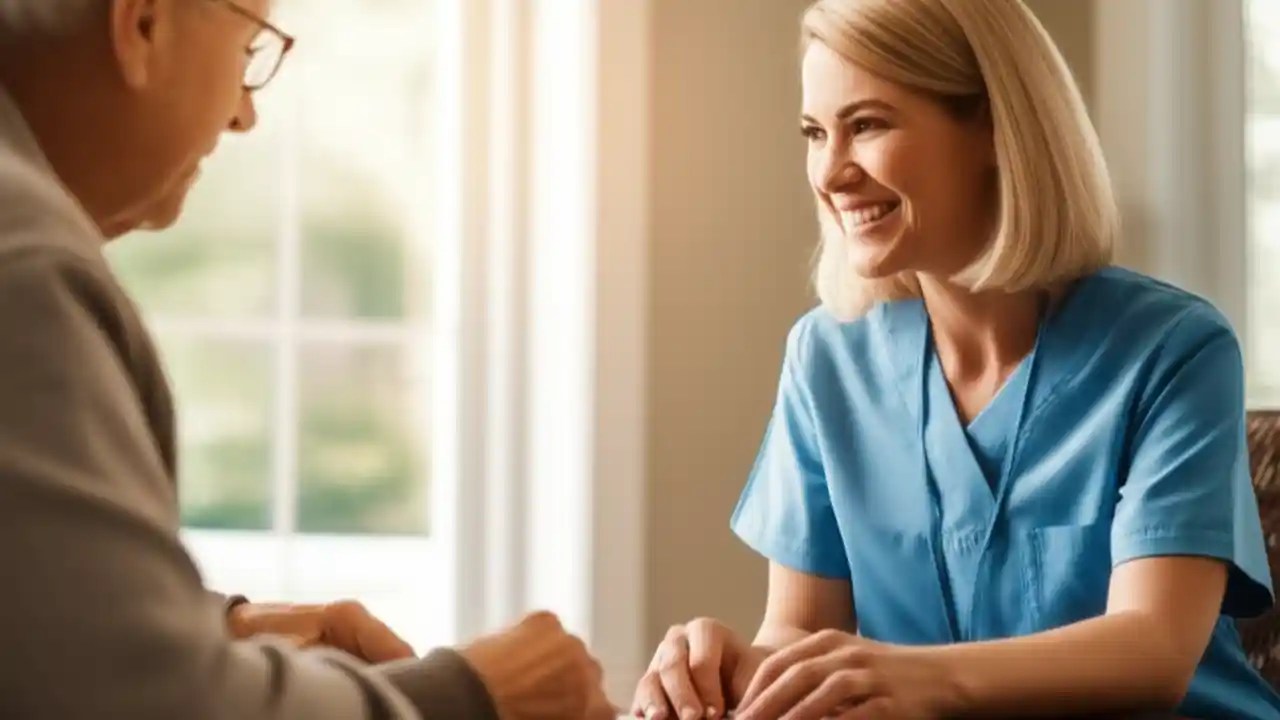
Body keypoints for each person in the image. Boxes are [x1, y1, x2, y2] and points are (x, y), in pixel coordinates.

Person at [632, 0, 1280, 718]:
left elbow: (1154, 650)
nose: (831, 171)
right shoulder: (826, 362)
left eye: (867, 125)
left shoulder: (1173, 352)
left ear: (995, 128)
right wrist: (723, 672)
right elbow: (803, 633)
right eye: (816, 133)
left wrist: (905, 677)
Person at [0, 1, 614, 718]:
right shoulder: (27, 273)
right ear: (143, 24)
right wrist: (467, 694)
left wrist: (208, 626)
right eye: (248, 51)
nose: (243, 115)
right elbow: (148, 706)